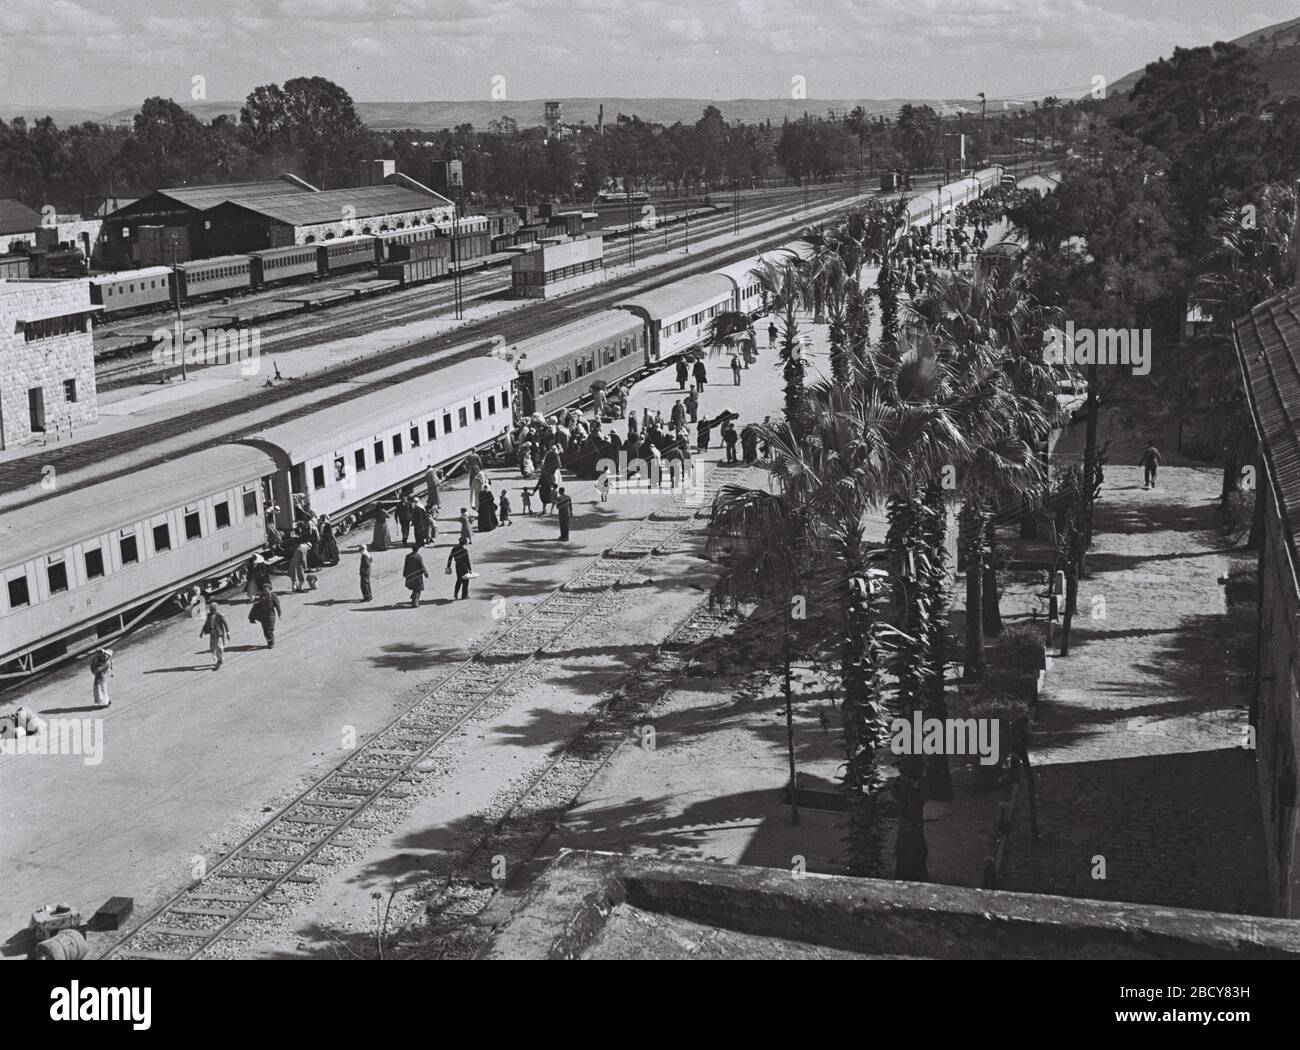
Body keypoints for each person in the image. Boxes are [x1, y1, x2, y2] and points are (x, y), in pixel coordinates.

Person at [200, 603, 230, 670]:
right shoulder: (209, 615)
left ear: (216, 609)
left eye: (212, 609)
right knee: (212, 645)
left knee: (219, 646)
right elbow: (206, 624)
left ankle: (220, 659)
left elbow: (225, 624)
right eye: (210, 609)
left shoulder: (220, 615)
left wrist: (228, 632)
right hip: (212, 632)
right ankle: (217, 656)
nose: (211, 610)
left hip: (219, 632)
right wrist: (202, 632)